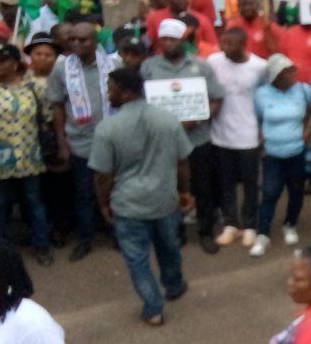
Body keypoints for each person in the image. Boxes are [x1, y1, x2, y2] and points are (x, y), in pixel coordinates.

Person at [89, 68, 192, 327]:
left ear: (126, 91)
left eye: (111, 88)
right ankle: (174, 285)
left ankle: (154, 308)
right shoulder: (169, 120)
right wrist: (184, 192)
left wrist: (103, 203)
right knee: (169, 248)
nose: (108, 93)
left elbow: (103, 175)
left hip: (128, 205)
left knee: (137, 259)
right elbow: (182, 163)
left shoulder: (107, 128)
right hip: (165, 200)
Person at [142, 19, 226, 254]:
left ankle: (206, 231)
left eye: (172, 39)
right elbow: (141, 101)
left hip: (196, 138)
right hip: (163, 141)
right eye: (163, 39)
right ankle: (175, 233)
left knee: (203, 186)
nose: (167, 44)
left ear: (183, 40)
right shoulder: (149, 67)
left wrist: (198, 117)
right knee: (169, 187)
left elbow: (217, 98)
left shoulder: (201, 65)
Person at [48, 18, 120, 262]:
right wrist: (61, 141)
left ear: (96, 41)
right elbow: (57, 104)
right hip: (81, 141)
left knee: (113, 188)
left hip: (113, 139)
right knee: (83, 192)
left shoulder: (113, 64)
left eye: (83, 39)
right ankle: (86, 238)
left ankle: (115, 233)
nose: (77, 43)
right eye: (73, 39)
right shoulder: (62, 68)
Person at [0, 44, 51, 264]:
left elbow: (46, 119)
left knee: (34, 202)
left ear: (16, 64)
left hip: (30, 157)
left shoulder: (33, 87)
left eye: (3, 60)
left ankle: (42, 246)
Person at [249, 55, 311, 256]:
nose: (292, 74)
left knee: (296, 190)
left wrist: (308, 131)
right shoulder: (261, 94)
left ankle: (290, 224)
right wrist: (262, 141)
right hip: (272, 154)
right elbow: (259, 119)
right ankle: (263, 234)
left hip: (297, 151)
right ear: (276, 76)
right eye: (287, 71)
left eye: (292, 69)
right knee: (270, 192)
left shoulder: (304, 90)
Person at [207, 25, 265, 249]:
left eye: (231, 44)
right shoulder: (214, 61)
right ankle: (231, 224)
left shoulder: (259, 66)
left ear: (244, 45)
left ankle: (250, 225)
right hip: (220, 133)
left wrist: (263, 128)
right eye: (223, 43)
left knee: (251, 183)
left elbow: (266, 96)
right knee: (225, 181)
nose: (225, 48)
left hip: (248, 133)